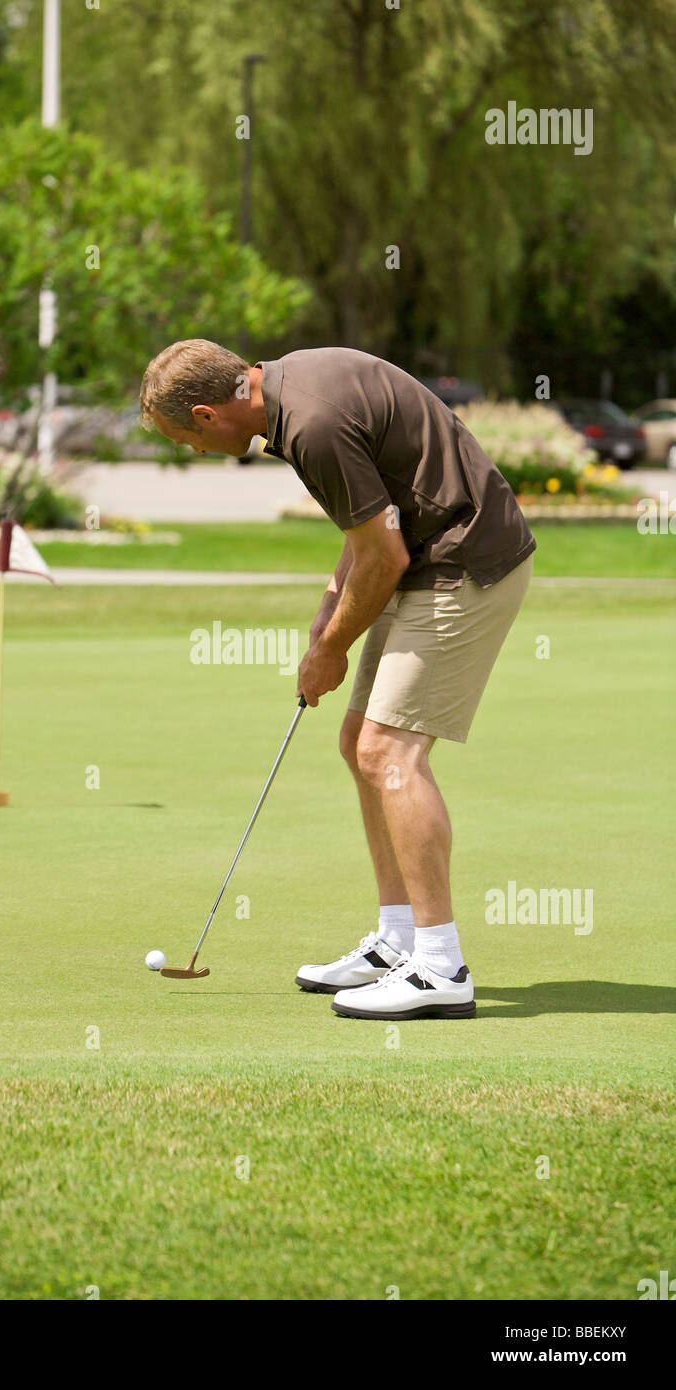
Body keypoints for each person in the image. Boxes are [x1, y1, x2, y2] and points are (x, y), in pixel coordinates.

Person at [140, 340, 535, 1020]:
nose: (196, 453)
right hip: (425, 555)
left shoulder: (310, 424)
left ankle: (441, 966)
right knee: (359, 742)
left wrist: (330, 650)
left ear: (207, 414)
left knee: (390, 753)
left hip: (464, 560)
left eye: (187, 441)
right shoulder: (293, 390)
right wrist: (329, 610)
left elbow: (384, 554)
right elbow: (369, 525)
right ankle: (398, 941)